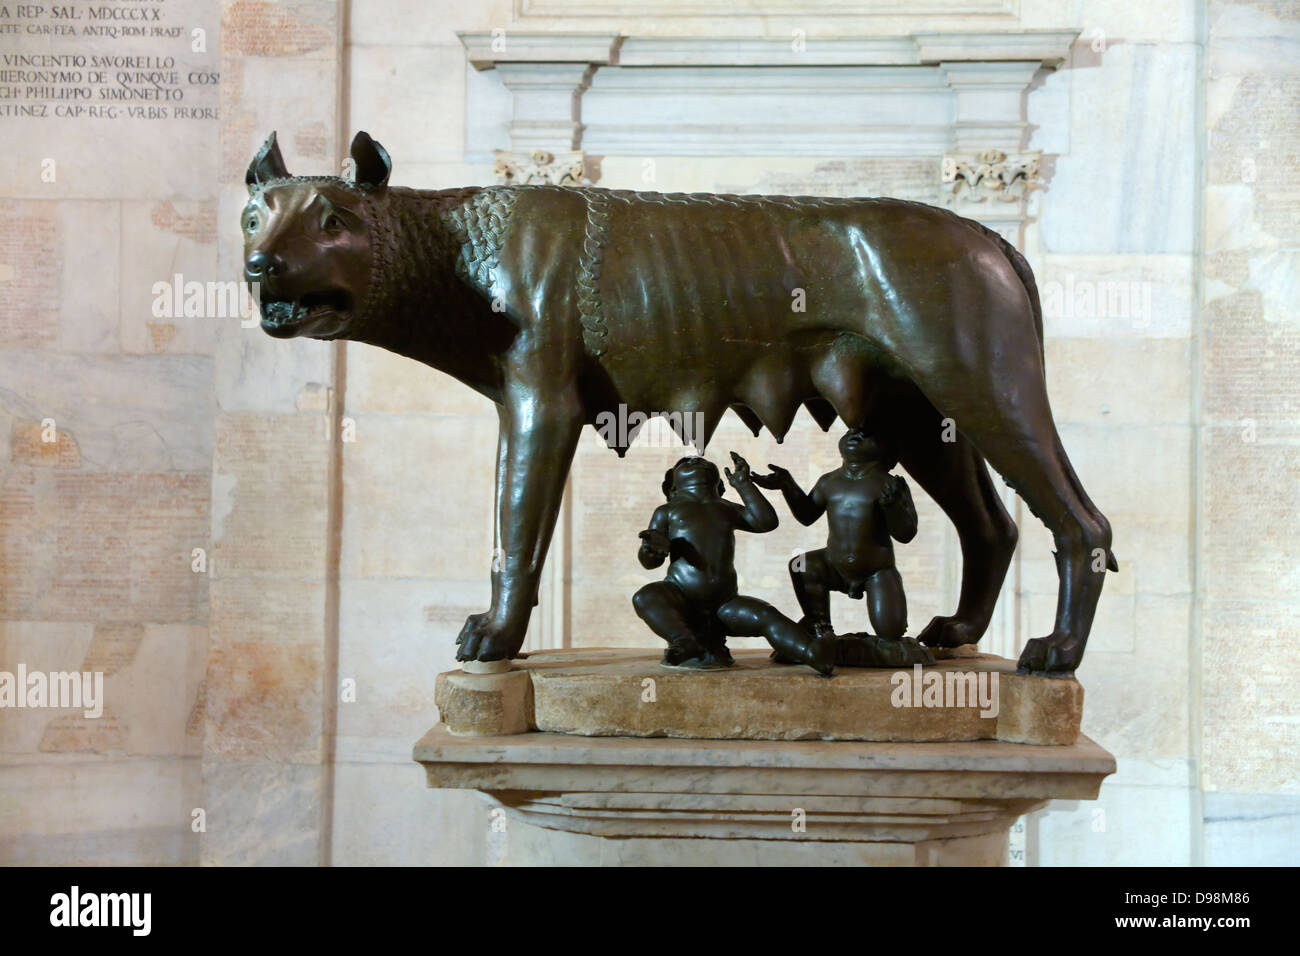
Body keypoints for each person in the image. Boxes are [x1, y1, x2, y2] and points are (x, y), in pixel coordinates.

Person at [633, 453, 835, 676]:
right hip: (681, 597)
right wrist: (651, 549)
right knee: (646, 596)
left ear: (719, 483)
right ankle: (683, 641)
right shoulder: (667, 511)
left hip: (725, 605)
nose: (694, 459)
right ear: (672, 487)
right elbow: (649, 563)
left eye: (699, 460)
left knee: (766, 615)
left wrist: (743, 484)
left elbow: (766, 522)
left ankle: (812, 653)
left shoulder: (726, 508)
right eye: (684, 463)